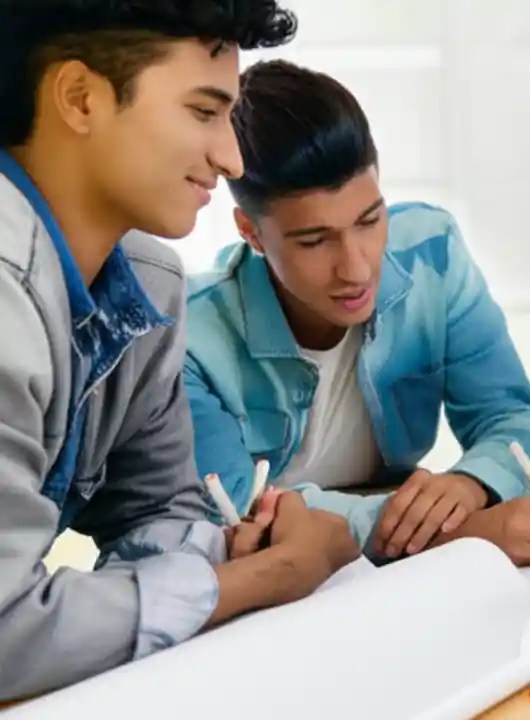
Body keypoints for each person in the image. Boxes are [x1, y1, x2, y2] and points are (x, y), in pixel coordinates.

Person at [0, 1, 361, 701]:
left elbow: (156, 513)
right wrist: (266, 577)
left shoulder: (149, 282)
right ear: (80, 98)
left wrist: (234, 549)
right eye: (203, 112)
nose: (231, 158)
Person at [185, 60, 530, 564]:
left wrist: (471, 484)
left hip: (394, 577)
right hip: (274, 585)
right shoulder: (189, 335)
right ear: (251, 233)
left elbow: (511, 419)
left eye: (369, 219)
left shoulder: (431, 254)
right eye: (315, 241)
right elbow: (235, 508)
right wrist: (458, 535)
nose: (356, 269)